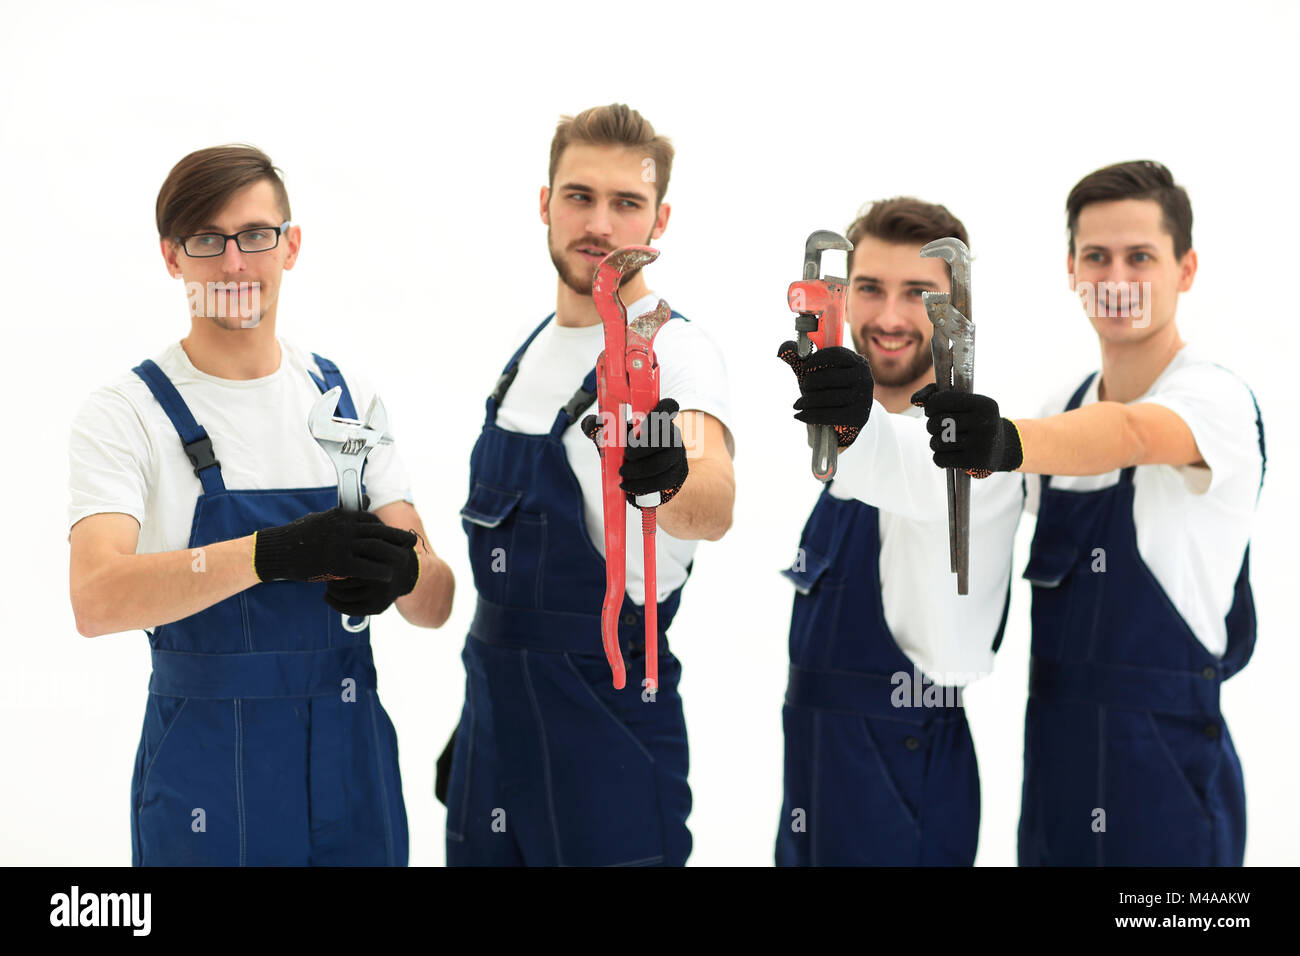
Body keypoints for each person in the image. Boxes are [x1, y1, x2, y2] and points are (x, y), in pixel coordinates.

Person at [67, 145, 454, 866]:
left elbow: (434, 604)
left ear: (291, 245)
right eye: (207, 241)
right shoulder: (126, 414)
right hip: (206, 767)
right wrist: (267, 555)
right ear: (171, 257)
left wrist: (403, 576)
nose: (236, 264)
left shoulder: (346, 399)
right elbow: (94, 598)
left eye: (255, 235)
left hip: (352, 759)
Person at [911, 160, 1265, 866]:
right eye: (1096, 256)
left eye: (1142, 256)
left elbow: (1132, 433)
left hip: (1167, 798)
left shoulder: (1215, 401)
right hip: (1054, 790)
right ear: (1071, 269)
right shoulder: (1058, 410)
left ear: (1185, 269)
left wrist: (1005, 441)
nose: (1116, 277)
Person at [441, 104, 735, 867]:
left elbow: (715, 501)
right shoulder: (529, 353)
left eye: (626, 203)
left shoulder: (678, 353)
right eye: (579, 196)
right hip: (492, 733)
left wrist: (670, 480)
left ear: (658, 220)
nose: (599, 223)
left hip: (610, 733)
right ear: (544, 203)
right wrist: (483, 720)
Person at [775, 198, 1024, 865]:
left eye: (918, 294)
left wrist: (850, 422)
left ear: (957, 311)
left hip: (902, 789)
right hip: (814, 783)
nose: (888, 318)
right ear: (843, 298)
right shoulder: (847, 462)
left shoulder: (982, 463)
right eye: (870, 289)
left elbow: (904, 459)